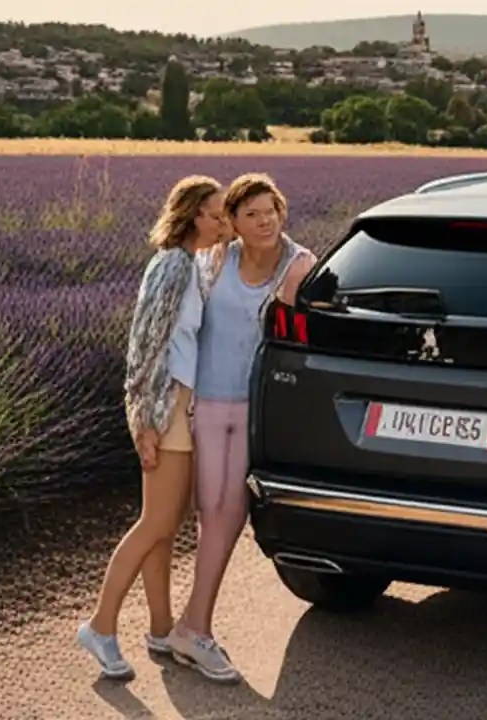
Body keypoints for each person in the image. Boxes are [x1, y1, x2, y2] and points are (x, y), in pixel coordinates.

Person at [77, 175, 230, 681]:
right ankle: (100, 626)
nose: (221, 221)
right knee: (157, 523)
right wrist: (141, 419)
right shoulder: (171, 266)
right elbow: (142, 347)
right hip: (163, 408)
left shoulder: (193, 266)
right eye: (215, 213)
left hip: (180, 406)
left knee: (167, 522)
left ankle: (162, 626)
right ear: (191, 215)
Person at [165, 173, 316, 683]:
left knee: (228, 513)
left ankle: (193, 627)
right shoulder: (217, 260)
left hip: (253, 408)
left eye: (271, 208)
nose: (265, 220)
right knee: (211, 512)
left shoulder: (298, 265)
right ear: (232, 223)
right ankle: (186, 627)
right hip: (206, 403)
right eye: (251, 213)